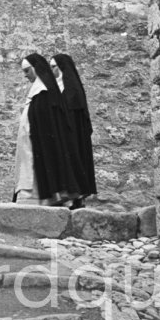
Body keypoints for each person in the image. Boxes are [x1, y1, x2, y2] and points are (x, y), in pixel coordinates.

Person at [13, 54, 84, 205]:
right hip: (30, 144)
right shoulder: (37, 90)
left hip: (38, 144)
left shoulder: (43, 92)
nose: (25, 75)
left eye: (27, 71)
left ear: (36, 69)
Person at [51, 54, 97, 207]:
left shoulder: (72, 89)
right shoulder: (57, 86)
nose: (51, 71)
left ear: (62, 67)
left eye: (54, 67)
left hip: (74, 136)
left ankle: (78, 198)